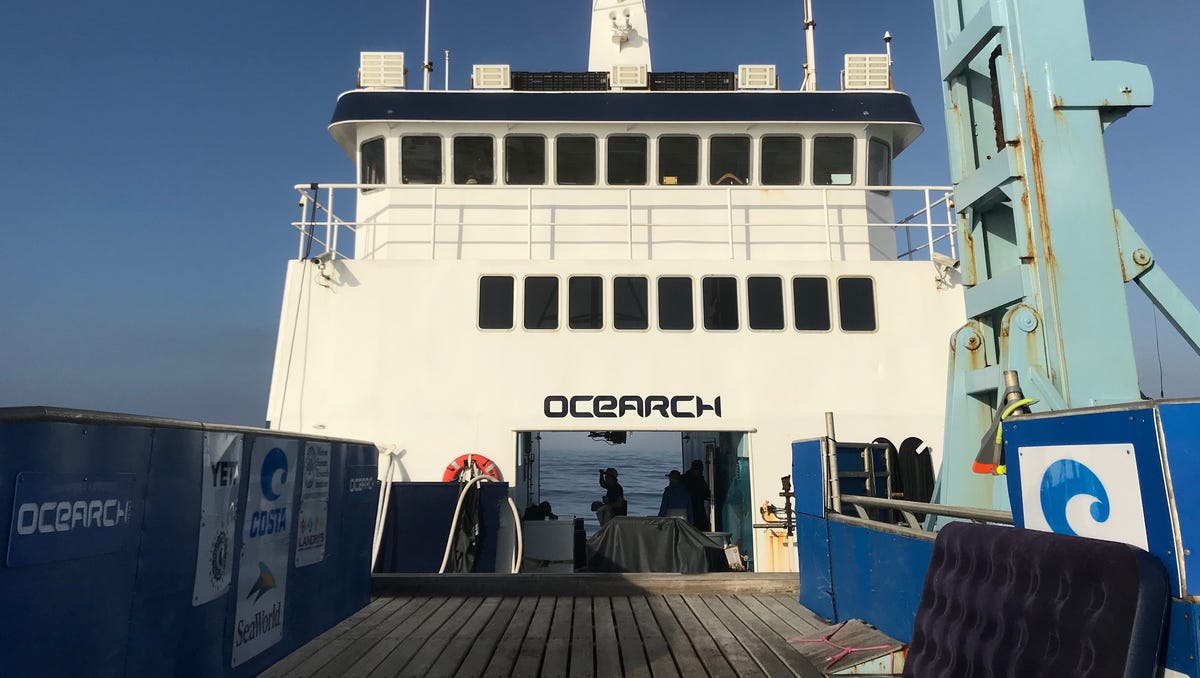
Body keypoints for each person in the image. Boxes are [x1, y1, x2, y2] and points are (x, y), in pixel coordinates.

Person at [683, 459, 712, 531]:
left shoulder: (684, 479)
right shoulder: (700, 480)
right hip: (697, 509)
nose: (701, 472)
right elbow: (707, 494)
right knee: (702, 528)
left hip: (691, 509)